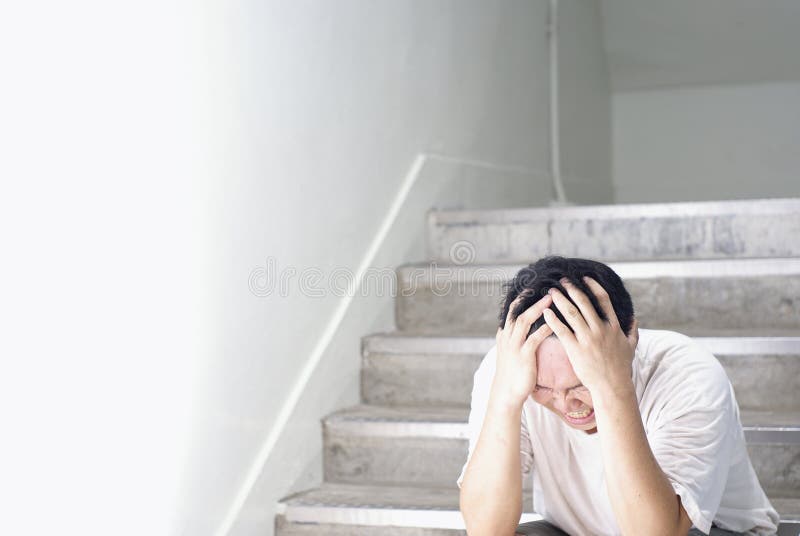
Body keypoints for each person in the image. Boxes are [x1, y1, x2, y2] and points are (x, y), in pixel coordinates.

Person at [457, 256, 779, 536]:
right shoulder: (511, 367)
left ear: (629, 340)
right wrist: (505, 399)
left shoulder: (689, 373)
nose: (568, 405)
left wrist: (610, 387)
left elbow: (656, 534)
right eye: (542, 388)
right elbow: (486, 529)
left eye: (579, 383)